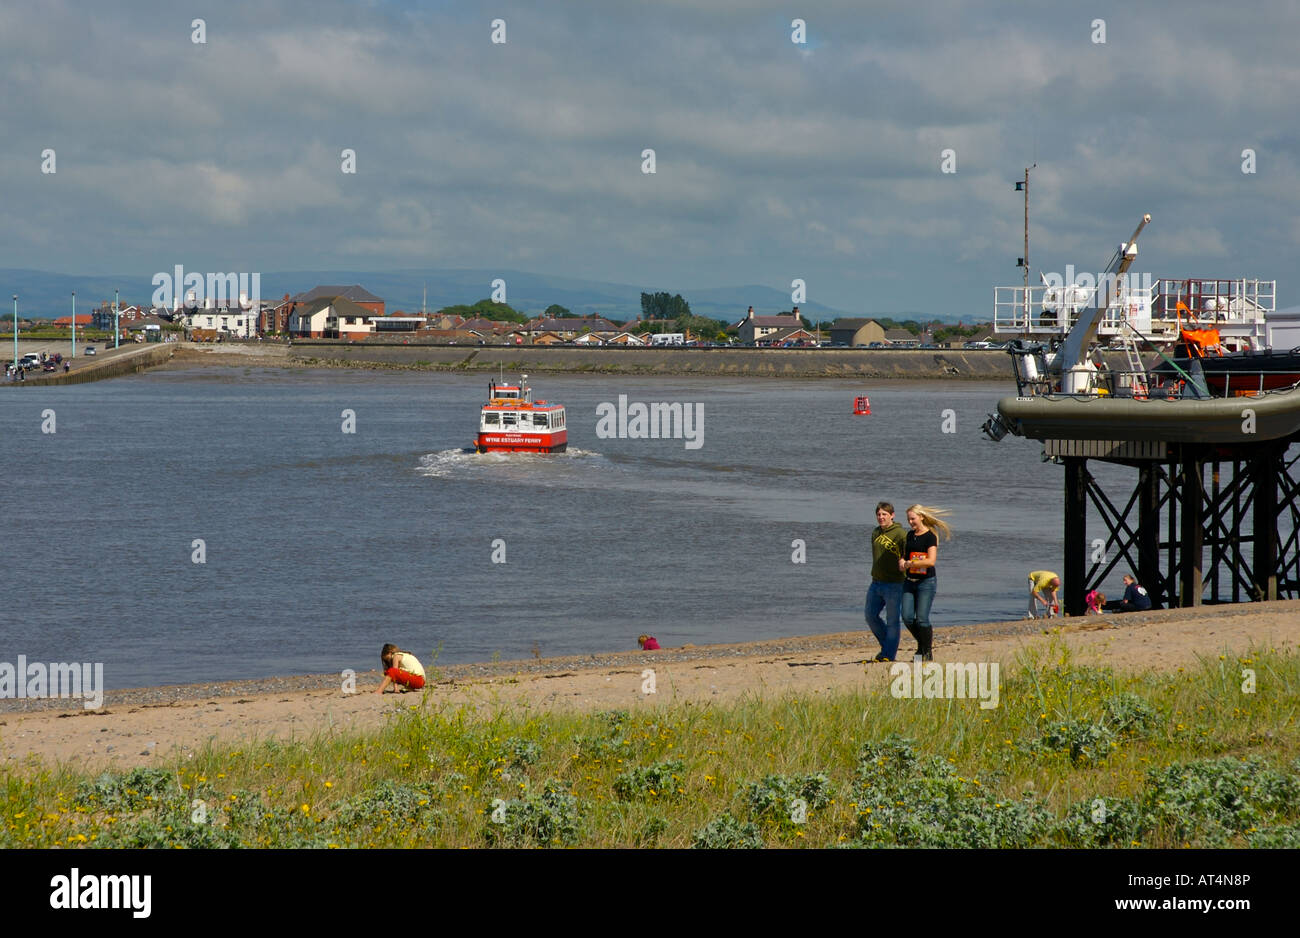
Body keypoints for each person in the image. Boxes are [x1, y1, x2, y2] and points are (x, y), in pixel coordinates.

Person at [898, 504, 953, 662]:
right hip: (909, 581)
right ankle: (923, 646)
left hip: (926, 582)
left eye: (913, 518)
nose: (910, 522)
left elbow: (931, 561)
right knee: (907, 617)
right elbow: (904, 555)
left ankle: (925, 652)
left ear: (921, 517)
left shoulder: (930, 536)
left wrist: (911, 564)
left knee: (922, 618)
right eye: (908, 519)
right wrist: (902, 562)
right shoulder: (909, 535)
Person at [865, 501, 908, 662]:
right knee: (870, 616)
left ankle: (888, 654)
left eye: (884, 514)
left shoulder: (900, 534)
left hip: (895, 584)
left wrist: (905, 561)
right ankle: (886, 647)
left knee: (892, 620)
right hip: (876, 582)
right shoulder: (875, 532)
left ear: (892, 515)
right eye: (879, 514)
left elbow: (909, 553)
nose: (881, 517)